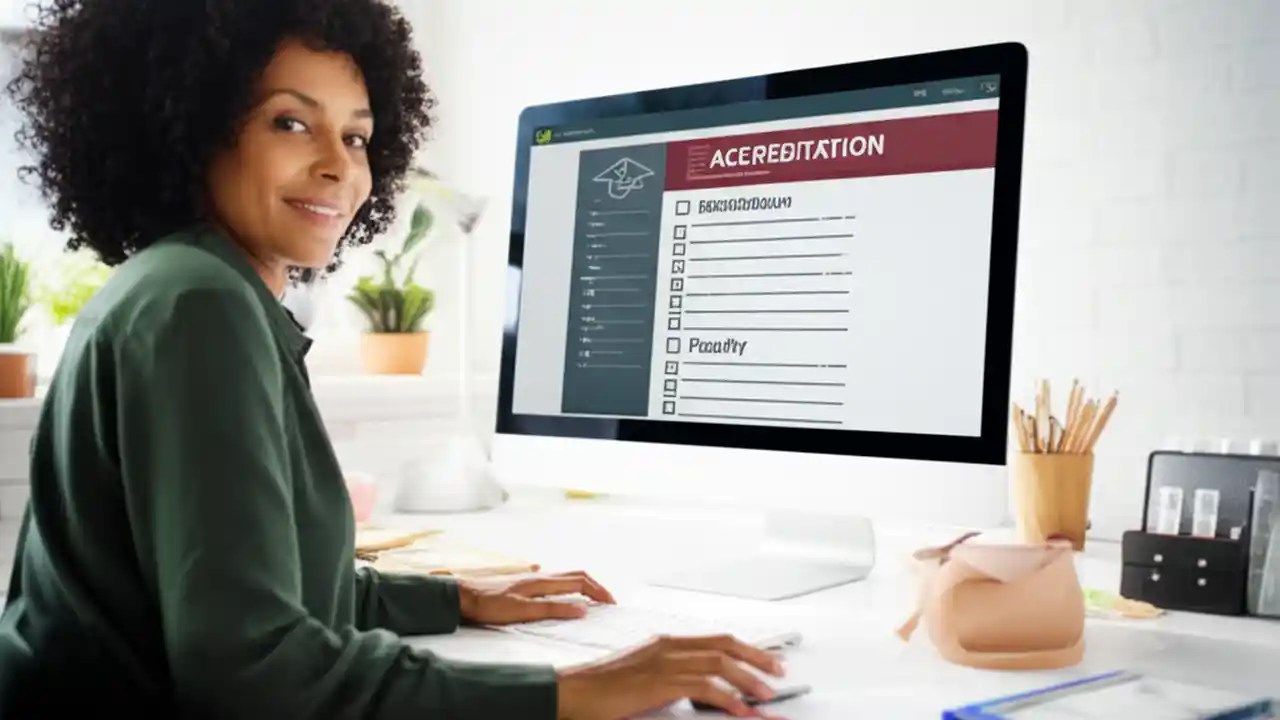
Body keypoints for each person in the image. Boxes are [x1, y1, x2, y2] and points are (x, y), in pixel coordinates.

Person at [0, 1, 785, 718]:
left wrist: (455, 600)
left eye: (356, 135)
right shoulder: (199, 304)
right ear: (192, 124)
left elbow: (260, 593)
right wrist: (574, 688)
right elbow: (254, 670)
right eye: (289, 123)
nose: (341, 167)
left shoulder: (189, 285)